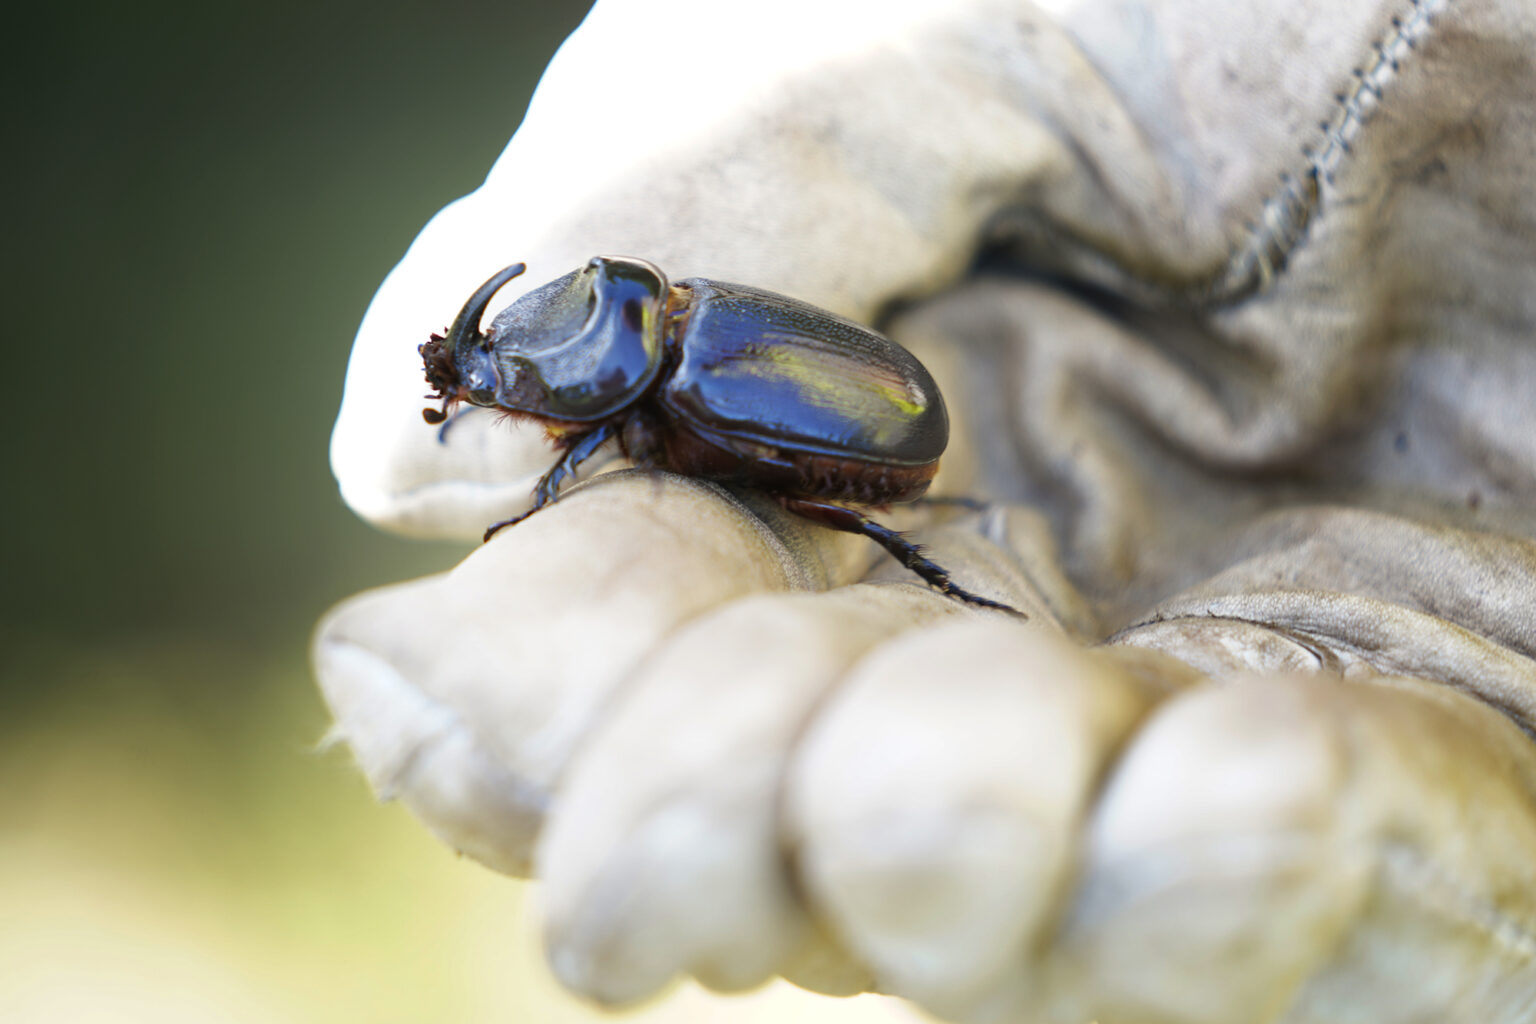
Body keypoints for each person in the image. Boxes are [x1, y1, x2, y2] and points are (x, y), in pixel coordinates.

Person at [315, 1, 1536, 1020]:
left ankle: (935, 574)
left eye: (516, 381)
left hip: (883, 441)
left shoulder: (671, 376)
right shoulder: (653, 339)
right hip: (877, 410)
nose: (506, 393)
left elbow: (604, 429)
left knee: (829, 516)